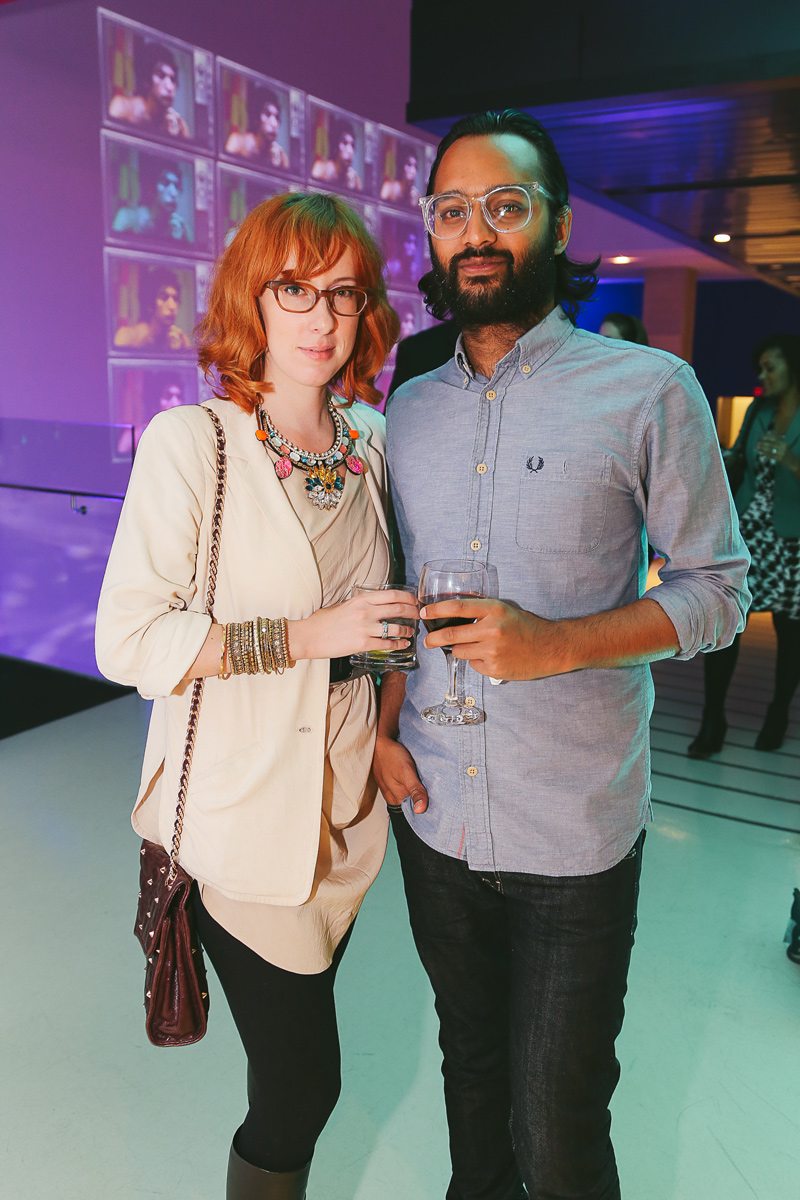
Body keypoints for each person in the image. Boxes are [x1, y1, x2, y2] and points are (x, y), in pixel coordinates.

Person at [374, 109, 750, 1200]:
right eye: (452, 210)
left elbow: (717, 590)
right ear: (434, 236)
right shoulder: (404, 413)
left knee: (556, 1132)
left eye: (504, 205)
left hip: (572, 832)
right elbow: (390, 600)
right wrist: (379, 721)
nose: (476, 230)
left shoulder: (648, 391)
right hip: (437, 818)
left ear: (555, 223)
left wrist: (556, 645)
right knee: (471, 1089)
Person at [96, 192, 412, 1199]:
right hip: (239, 826)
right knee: (303, 1086)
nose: (321, 319)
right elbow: (131, 639)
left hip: (345, 819)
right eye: (294, 290)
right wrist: (307, 638)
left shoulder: (367, 440)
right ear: (251, 297)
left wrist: (387, 724)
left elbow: (380, 624)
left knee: (300, 1060)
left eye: (343, 295)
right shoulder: (194, 443)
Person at [688, 333, 800, 756]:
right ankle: (712, 719)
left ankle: (779, 712)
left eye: (771, 367)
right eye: (761, 367)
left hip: (794, 542)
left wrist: (791, 463)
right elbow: (740, 460)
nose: (762, 375)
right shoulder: (758, 410)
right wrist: (727, 456)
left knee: (791, 635)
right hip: (750, 534)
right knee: (727, 624)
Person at [108, 41, 190, 139]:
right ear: (146, 80)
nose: (170, 87)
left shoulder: (179, 125)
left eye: (172, 79)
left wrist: (174, 139)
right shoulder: (123, 107)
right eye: (161, 76)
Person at [113, 266, 192, 352]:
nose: (172, 306)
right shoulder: (128, 336)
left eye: (175, 299)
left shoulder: (182, 340)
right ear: (150, 303)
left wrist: (177, 353)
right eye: (164, 298)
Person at [112, 160, 189, 242]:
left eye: (176, 186)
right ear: (152, 188)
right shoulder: (126, 216)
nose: (174, 193)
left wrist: (176, 242)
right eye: (165, 183)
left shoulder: (181, 227)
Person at [225, 86, 290, 169]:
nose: (274, 124)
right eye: (267, 114)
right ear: (256, 117)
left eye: (276, 117)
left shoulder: (281, 157)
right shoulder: (237, 142)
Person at [310, 118, 362, 191]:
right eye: (344, 143)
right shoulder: (321, 169)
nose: (350, 151)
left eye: (352, 145)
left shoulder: (355, 180)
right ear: (336, 145)